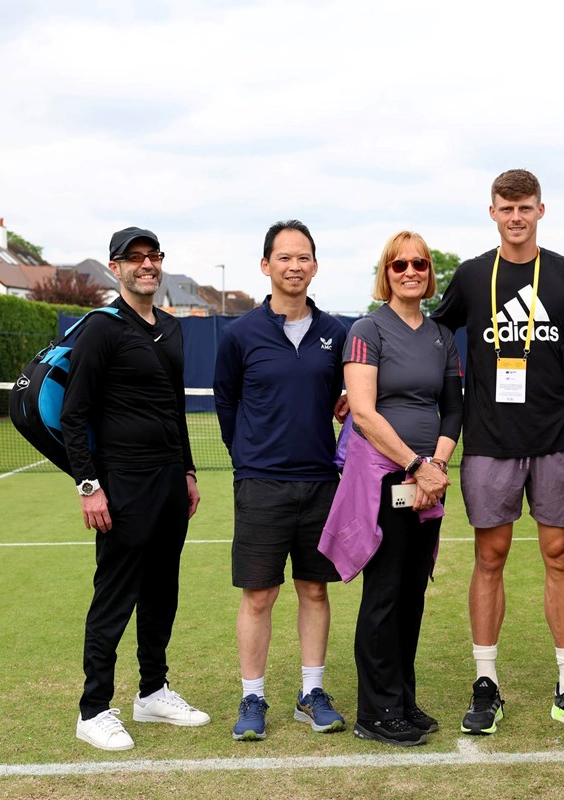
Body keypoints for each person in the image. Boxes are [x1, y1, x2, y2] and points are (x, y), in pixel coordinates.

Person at [433, 168, 564, 736]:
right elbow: (432, 335)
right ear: (492, 212)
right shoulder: (472, 275)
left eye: (525, 207)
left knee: (560, 558)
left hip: (559, 437)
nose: (516, 217)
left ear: (540, 210)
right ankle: (486, 682)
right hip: (490, 439)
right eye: (506, 209)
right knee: (490, 557)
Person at [63, 226, 209, 751]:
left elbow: (174, 408)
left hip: (169, 482)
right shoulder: (101, 329)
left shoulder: (171, 328)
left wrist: (188, 472)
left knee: (161, 591)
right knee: (114, 596)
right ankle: (93, 710)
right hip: (122, 483)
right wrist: (89, 486)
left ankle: (152, 692)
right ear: (116, 267)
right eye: (135, 258)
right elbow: (74, 415)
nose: (147, 265)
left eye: (153, 256)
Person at [320, 231, 463, 747]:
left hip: (429, 481)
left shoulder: (442, 335)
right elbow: (362, 412)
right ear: (386, 272)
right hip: (384, 478)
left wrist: (436, 467)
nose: (410, 272)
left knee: (412, 594)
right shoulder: (367, 329)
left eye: (419, 264)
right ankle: (376, 711)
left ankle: (401, 699)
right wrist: (415, 465)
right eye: (399, 264)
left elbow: (454, 408)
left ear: (429, 273)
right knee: (383, 594)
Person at [213, 220, 349, 741]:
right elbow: (226, 402)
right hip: (260, 485)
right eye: (285, 257)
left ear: (315, 266)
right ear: (266, 265)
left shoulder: (336, 333)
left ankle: (311, 693)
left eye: (303, 257)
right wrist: (247, 456)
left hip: (320, 482)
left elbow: (342, 399)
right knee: (259, 596)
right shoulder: (239, 334)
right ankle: (252, 697)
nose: (295, 266)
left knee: (314, 589)